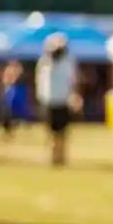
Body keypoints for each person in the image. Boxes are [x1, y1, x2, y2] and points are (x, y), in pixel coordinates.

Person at [35, 34, 78, 166]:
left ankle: (61, 156)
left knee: (63, 132)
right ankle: (53, 156)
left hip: (63, 100)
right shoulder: (44, 62)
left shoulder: (68, 62)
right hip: (49, 100)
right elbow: (39, 81)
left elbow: (73, 81)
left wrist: (74, 96)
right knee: (51, 131)